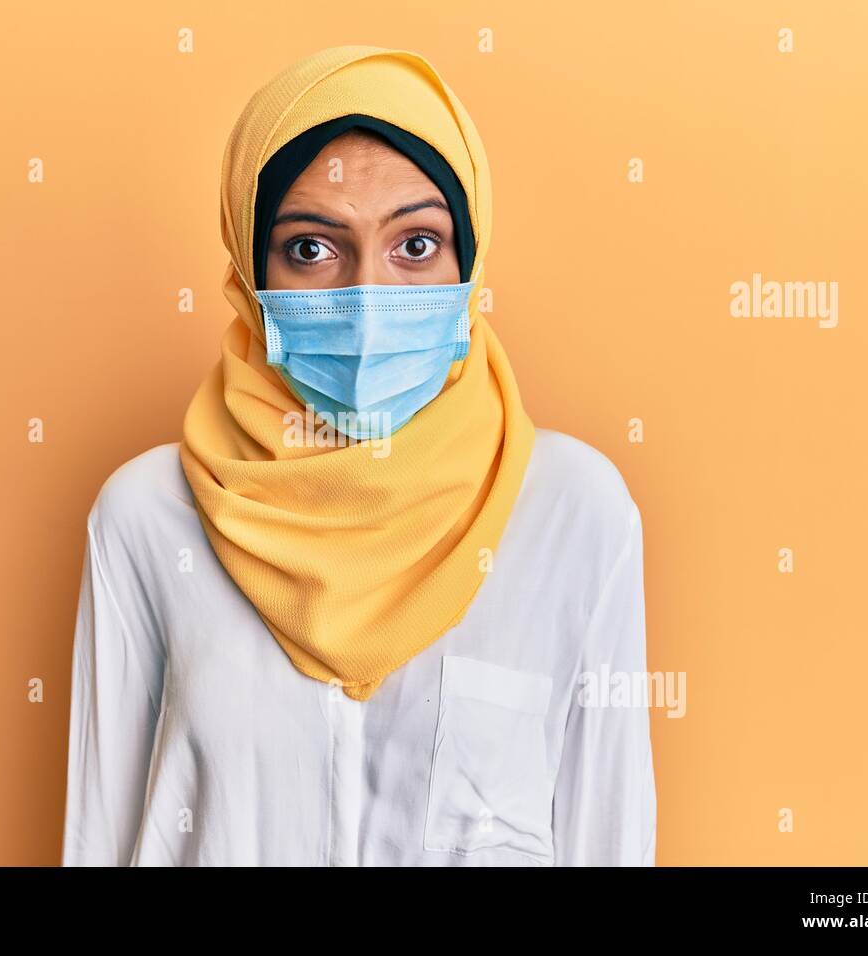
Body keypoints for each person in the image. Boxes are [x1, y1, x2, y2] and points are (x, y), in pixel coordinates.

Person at [61, 44, 657, 866]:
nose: (367, 297)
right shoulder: (147, 518)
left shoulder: (571, 511)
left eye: (415, 245)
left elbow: (608, 840)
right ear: (248, 265)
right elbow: (101, 839)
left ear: (468, 260)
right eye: (312, 247)